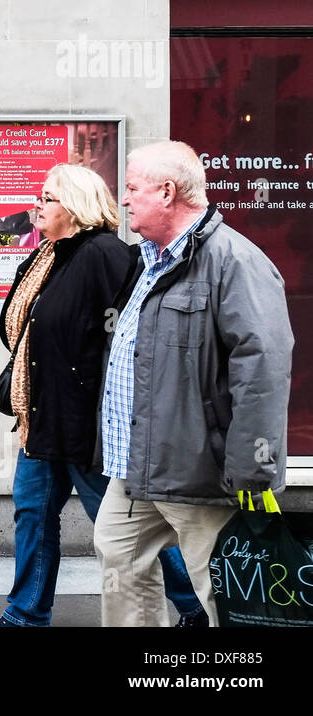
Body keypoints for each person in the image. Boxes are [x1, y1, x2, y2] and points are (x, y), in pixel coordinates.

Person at [0, 163, 205, 627]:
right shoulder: (44, 256)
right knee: (33, 516)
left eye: (47, 198)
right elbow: (25, 329)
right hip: (40, 417)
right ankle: (25, 614)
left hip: (90, 423)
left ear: (76, 206)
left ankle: (198, 607)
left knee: (129, 528)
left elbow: (129, 334)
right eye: (38, 196)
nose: (36, 206)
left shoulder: (104, 254)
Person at [94, 141, 294, 626]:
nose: (124, 199)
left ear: (166, 192)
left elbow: (263, 368)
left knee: (223, 590)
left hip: (201, 469)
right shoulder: (149, 259)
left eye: (133, 188)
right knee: (118, 554)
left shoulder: (234, 261)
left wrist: (253, 468)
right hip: (138, 463)